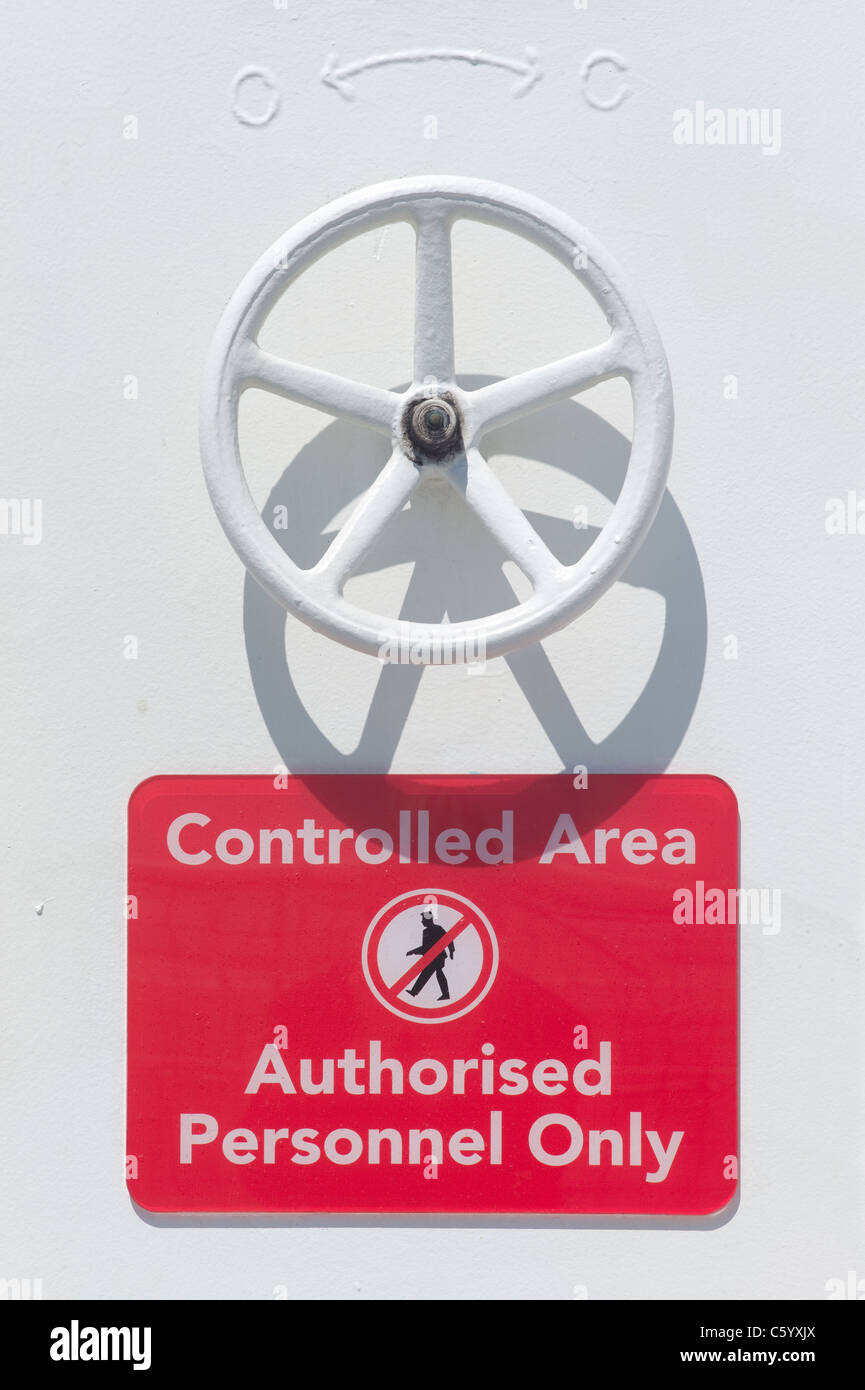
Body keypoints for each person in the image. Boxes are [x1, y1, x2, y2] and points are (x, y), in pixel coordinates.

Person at [405, 908, 454, 1001]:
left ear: (428, 919)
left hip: (439, 956)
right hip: (430, 957)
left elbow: (448, 939)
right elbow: (425, 948)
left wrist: (451, 951)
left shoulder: (438, 928)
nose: (421, 921)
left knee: (434, 973)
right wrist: (413, 951)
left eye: (423, 919)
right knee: (430, 973)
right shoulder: (425, 932)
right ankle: (415, 992)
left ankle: (445, 994)